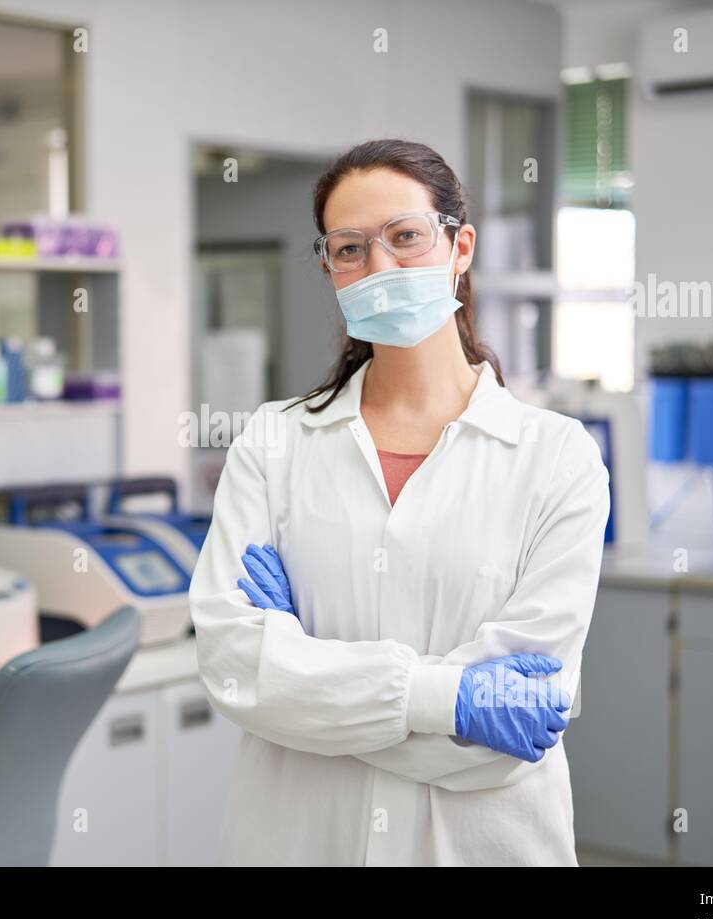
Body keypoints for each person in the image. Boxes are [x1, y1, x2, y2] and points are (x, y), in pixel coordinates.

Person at [189, 139, 610, 866]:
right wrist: (448, 701)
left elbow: (509, 743)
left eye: (406, 236)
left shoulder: (558, 456)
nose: (378, 267)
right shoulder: (273, 440)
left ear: (460, 245)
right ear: (329, 267)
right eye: (349, 248)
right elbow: (233, 665)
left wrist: (303, 682)